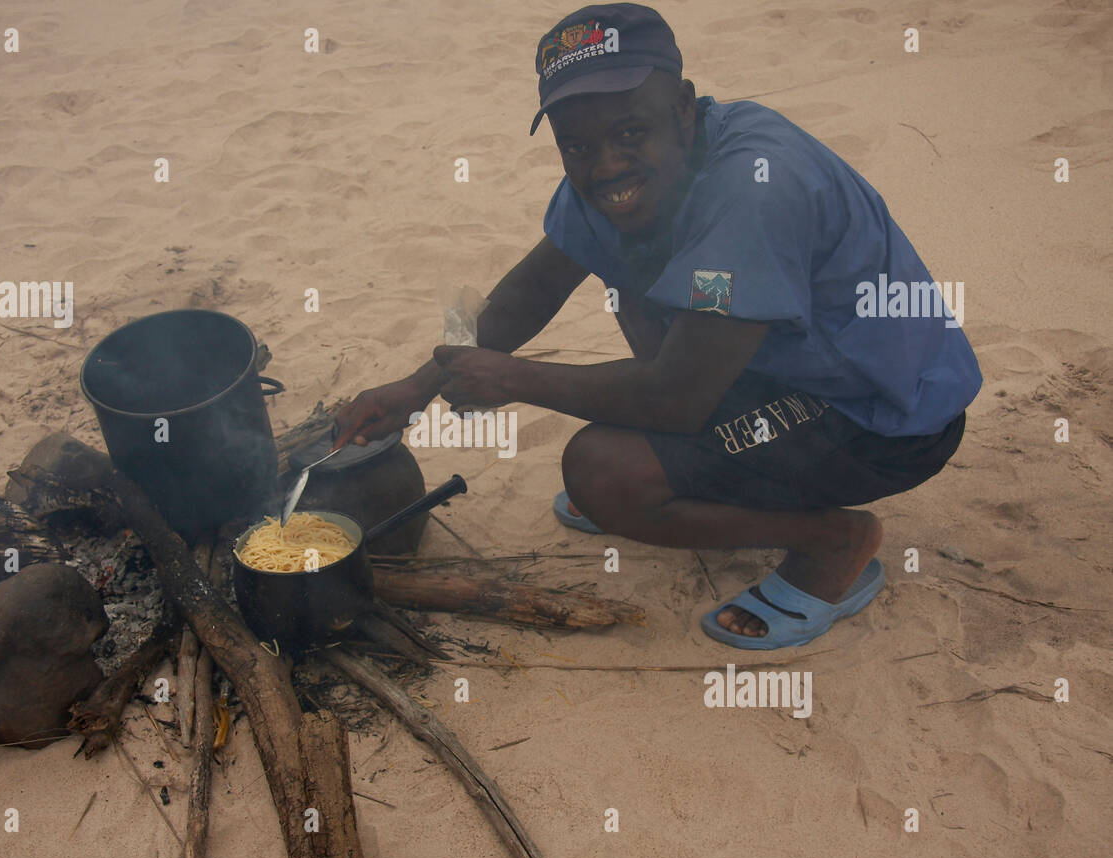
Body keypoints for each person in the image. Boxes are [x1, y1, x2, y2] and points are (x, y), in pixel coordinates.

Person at [333, 3, 981, 650]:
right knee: (634, 287)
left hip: (877, 415)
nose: (606, 165)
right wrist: (414, 389)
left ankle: (832, 545)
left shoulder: (754, 188)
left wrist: (510, 379)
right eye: (577, 146)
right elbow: (536, 286)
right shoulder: (631, 176)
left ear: (682, 105)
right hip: (777, 365)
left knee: (602, 472)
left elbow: (676, 397)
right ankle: (698, 470)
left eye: (628, 133)